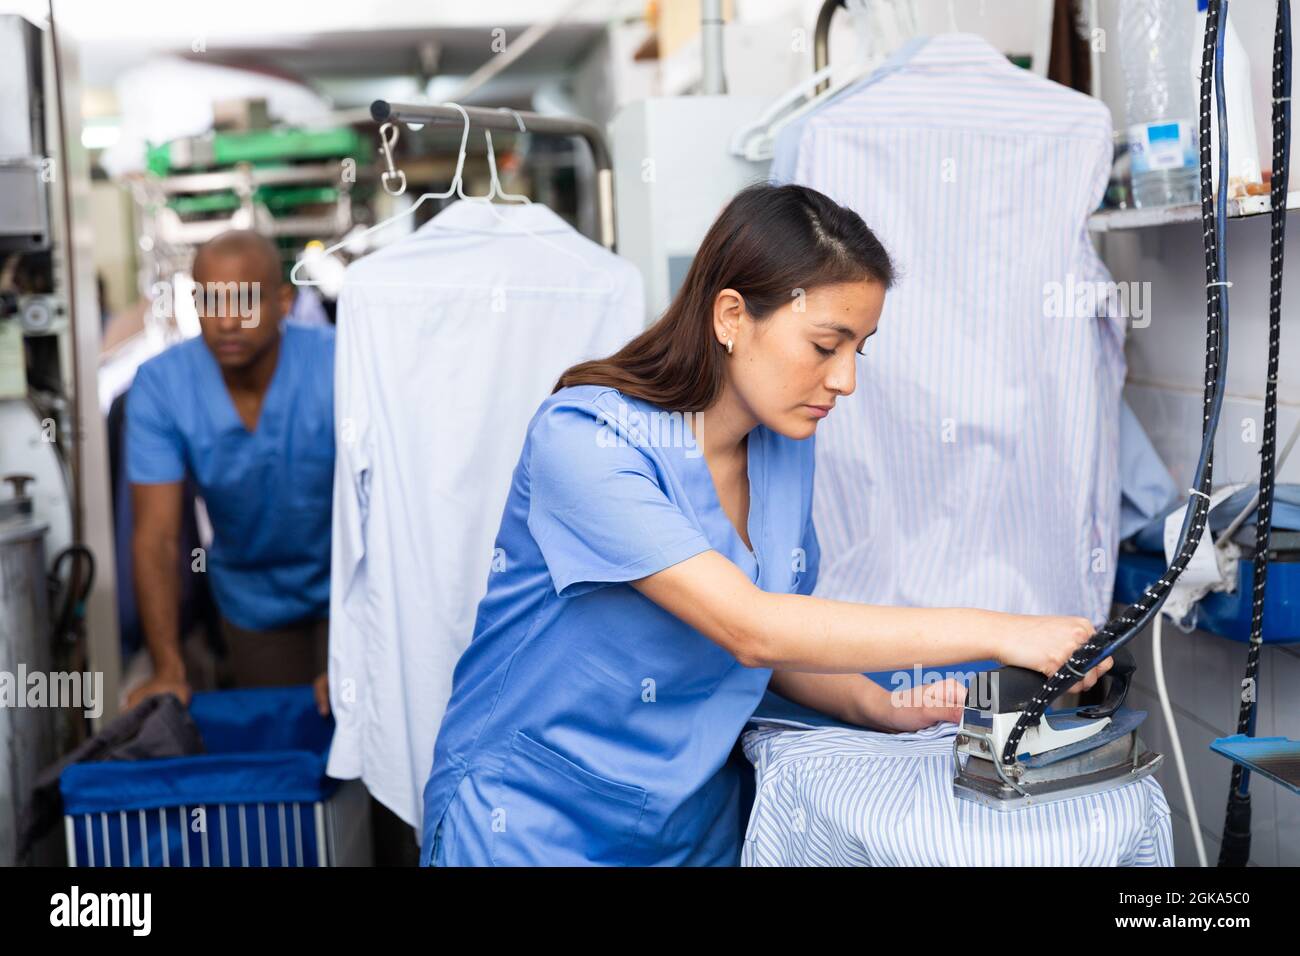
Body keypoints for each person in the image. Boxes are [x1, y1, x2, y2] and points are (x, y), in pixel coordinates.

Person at [419, 183, 1114, 867]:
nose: (845, 381)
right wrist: (1008, 629)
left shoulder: (783, 445)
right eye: (824, 345)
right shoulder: (586, 442)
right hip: (533, 821)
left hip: (688, 825)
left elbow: (778, 638)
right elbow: (750, 628)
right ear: (730, 316)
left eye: (858, 350)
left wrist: (878, 707)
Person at [125, 230, 334, 713]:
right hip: (251, 602)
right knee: (281, 740)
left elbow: (385, 503)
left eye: (243, 300)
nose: (224, 321)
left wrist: (370, 640)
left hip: (350, 592)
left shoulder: (338, 361)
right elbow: (156, 538)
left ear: (283, 302)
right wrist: (167, 667)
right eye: (208, 301)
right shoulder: (162, 385)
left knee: (363, 747)